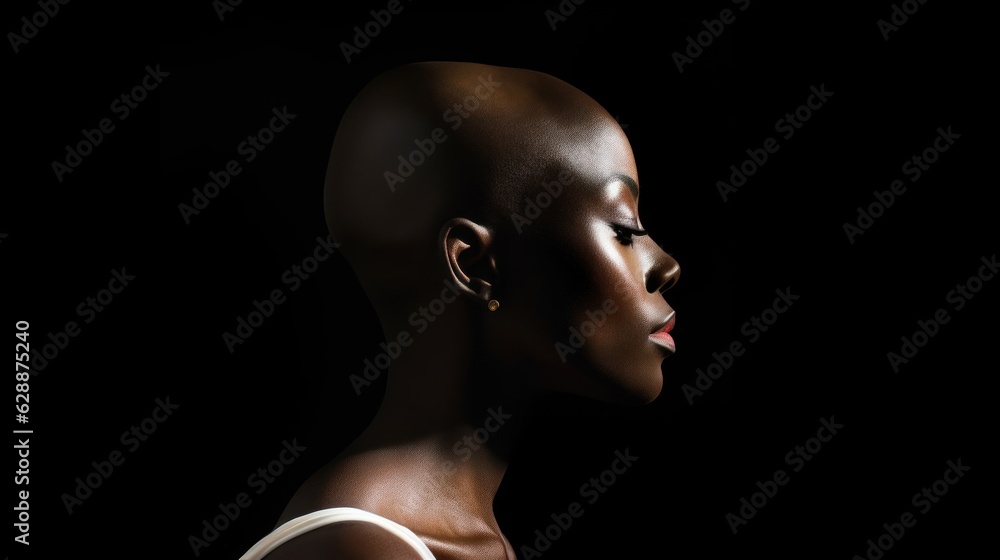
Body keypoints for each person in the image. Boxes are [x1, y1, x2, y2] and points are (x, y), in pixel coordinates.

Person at [240, 61, 680, 560]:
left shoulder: (471, 543)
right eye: (625, 230)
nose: (666, 265)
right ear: (475, 265)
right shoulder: (361, 548)